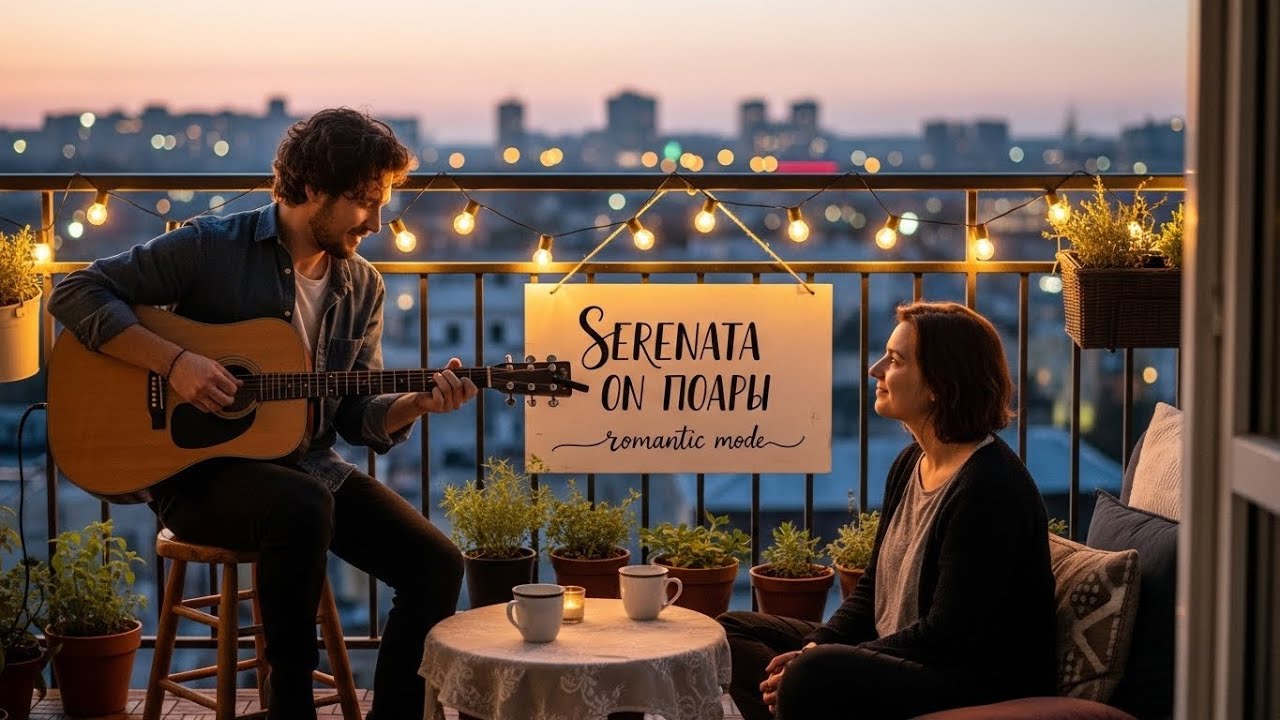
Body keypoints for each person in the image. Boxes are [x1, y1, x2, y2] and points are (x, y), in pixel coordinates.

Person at [48, 108, 478, 720]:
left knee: (437, 564)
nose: (377, 223)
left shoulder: (363, 287)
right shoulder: (213, 247)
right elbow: (75, 292)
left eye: (382, 204)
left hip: (305, 466)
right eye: (363, 201)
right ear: (310, 190)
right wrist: (176, 365)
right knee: (303, 507)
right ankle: (291, 705)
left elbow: (355, 412)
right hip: (192, 473)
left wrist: (415, 402)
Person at [719, 301, 1056, 719]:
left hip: (965, 677)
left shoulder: (988, 488)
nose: (874, 370)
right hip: (901, 650)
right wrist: (813, 646)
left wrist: (819, 660)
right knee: (729, 634)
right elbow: (870, 590)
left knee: (813, 673)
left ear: (939, 384)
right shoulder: (911, 461)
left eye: (894, 361)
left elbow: (948, 635)